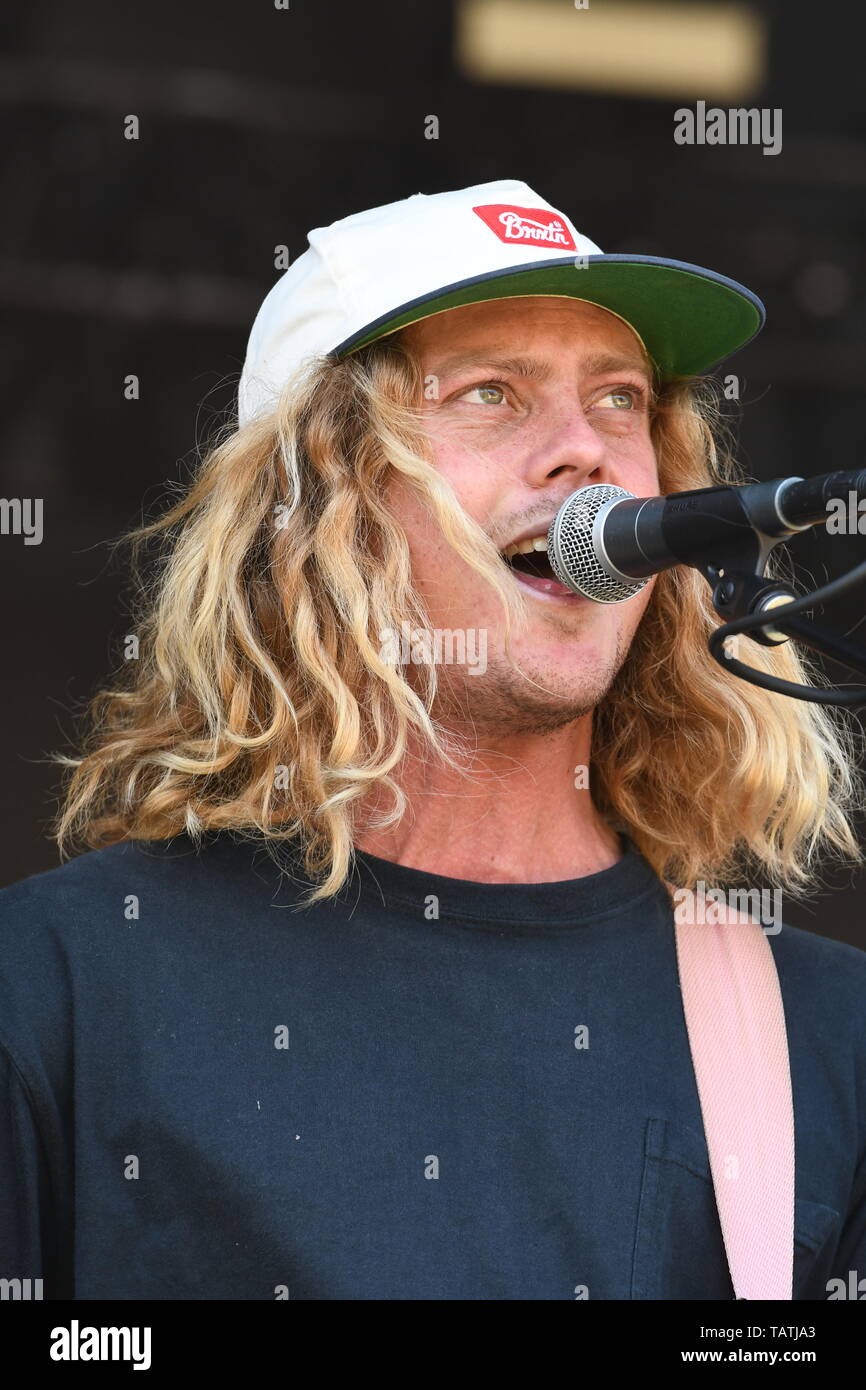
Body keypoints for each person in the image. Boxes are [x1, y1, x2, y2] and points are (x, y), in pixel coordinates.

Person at [1, 179, 864, 1301]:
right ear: (316, 504)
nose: (582, 453)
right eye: (492, 394)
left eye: (618, 400)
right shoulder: (59, 985)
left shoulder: (824, 1040)